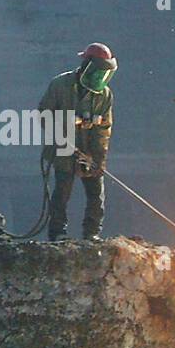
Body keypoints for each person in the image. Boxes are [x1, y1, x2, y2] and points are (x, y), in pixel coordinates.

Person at [40, 42, 117, 241]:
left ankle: (92, 234)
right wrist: (61, 136)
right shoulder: (61, 85)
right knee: (62, 193)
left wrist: (98, 159)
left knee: (96, 194)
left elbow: (103, 128)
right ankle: (58, 233)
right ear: (87, 64)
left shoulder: (104, 94)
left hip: (89, 150)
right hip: (64, 149)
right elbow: (43, 114)